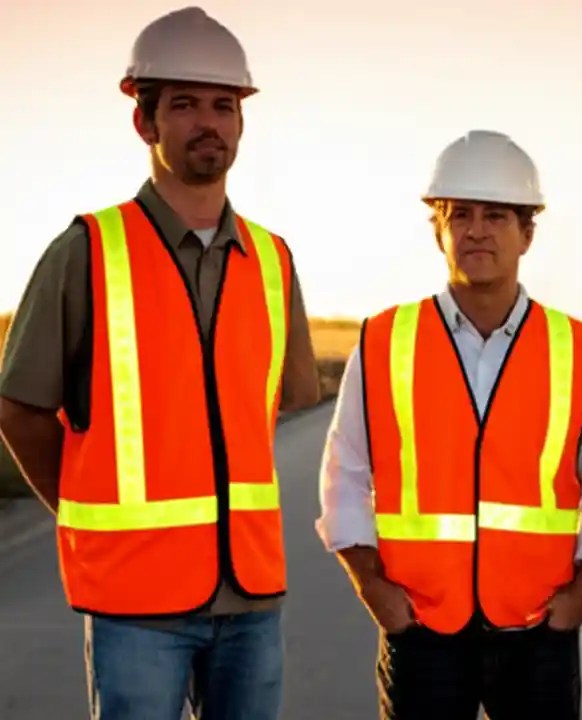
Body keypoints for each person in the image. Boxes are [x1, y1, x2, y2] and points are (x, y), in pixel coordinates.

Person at [0, 7, 320, 720]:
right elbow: (18, 411)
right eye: (184, 105)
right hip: (137, 607)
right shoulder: (87, 251)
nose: (209, 122)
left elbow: (284, 399)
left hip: (253, 598)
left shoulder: (272, 260)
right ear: (145, 123)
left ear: (242, 122)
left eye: (224, 105)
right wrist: (92, 514)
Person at [316, 129, 582, 720]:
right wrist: (373, 589)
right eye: (460, 214)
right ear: (438, 228)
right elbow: (345, 472)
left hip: (538, 631)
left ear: (527, 233)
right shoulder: (385, 340)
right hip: (421, 630)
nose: (477, 230)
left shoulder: (581, 348)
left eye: (496, 215)